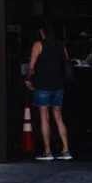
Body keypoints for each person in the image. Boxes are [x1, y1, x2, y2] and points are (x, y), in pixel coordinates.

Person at [26, 24, 72, 161]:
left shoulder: (39, 45)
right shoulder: (61, 45)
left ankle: (47, 151)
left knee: (44, 117)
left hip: (42, 85)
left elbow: (31, 67)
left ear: (42, 32)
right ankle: (66, 149)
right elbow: (66, 62)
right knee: (58, 117)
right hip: (58, 84)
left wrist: (28, 79)